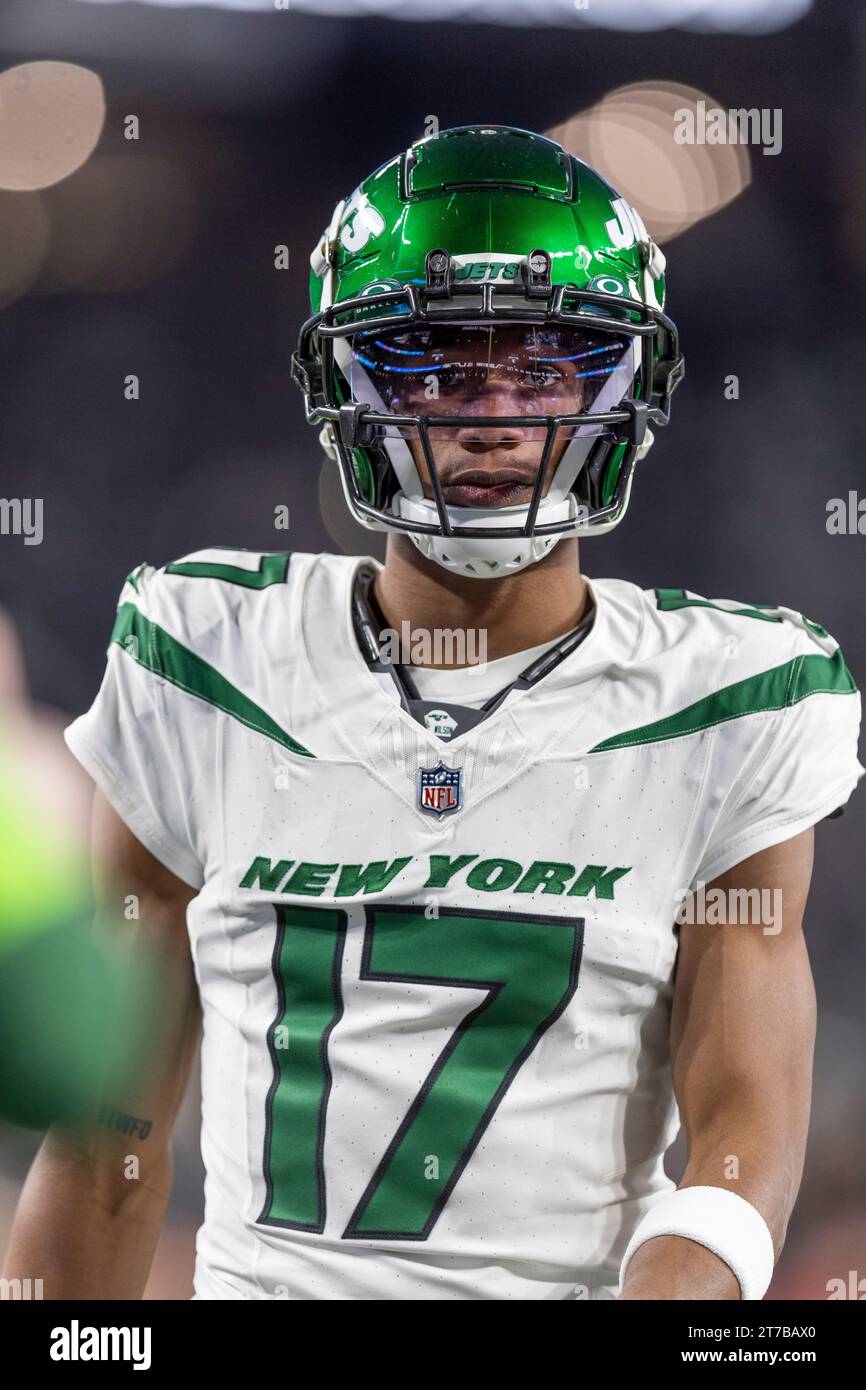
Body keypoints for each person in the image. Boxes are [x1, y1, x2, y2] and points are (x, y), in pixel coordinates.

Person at [4, 124, 862, 1301]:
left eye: (546, 366)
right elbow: (107, 1136)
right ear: (345, 381)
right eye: (440, 367)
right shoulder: (205, 658)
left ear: (624, 381)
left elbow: (742, 1132)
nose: (495, 416)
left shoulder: (728, 697)